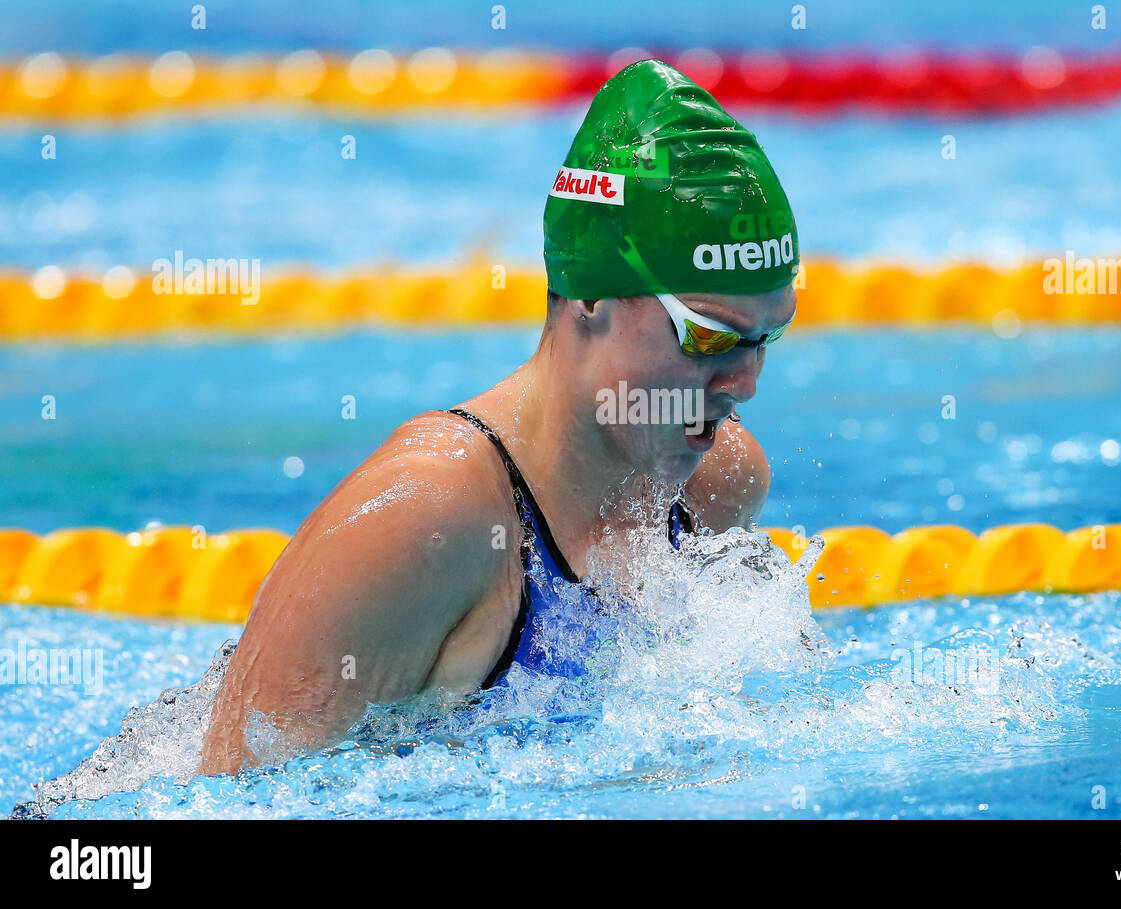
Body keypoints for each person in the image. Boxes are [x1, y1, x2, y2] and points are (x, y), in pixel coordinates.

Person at [199, 58, 799, 775]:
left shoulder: (717, 483)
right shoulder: (428, 516)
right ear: (592, 298)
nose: (746, 381)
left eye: (767, 337)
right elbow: (230, 796)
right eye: (708, 335)